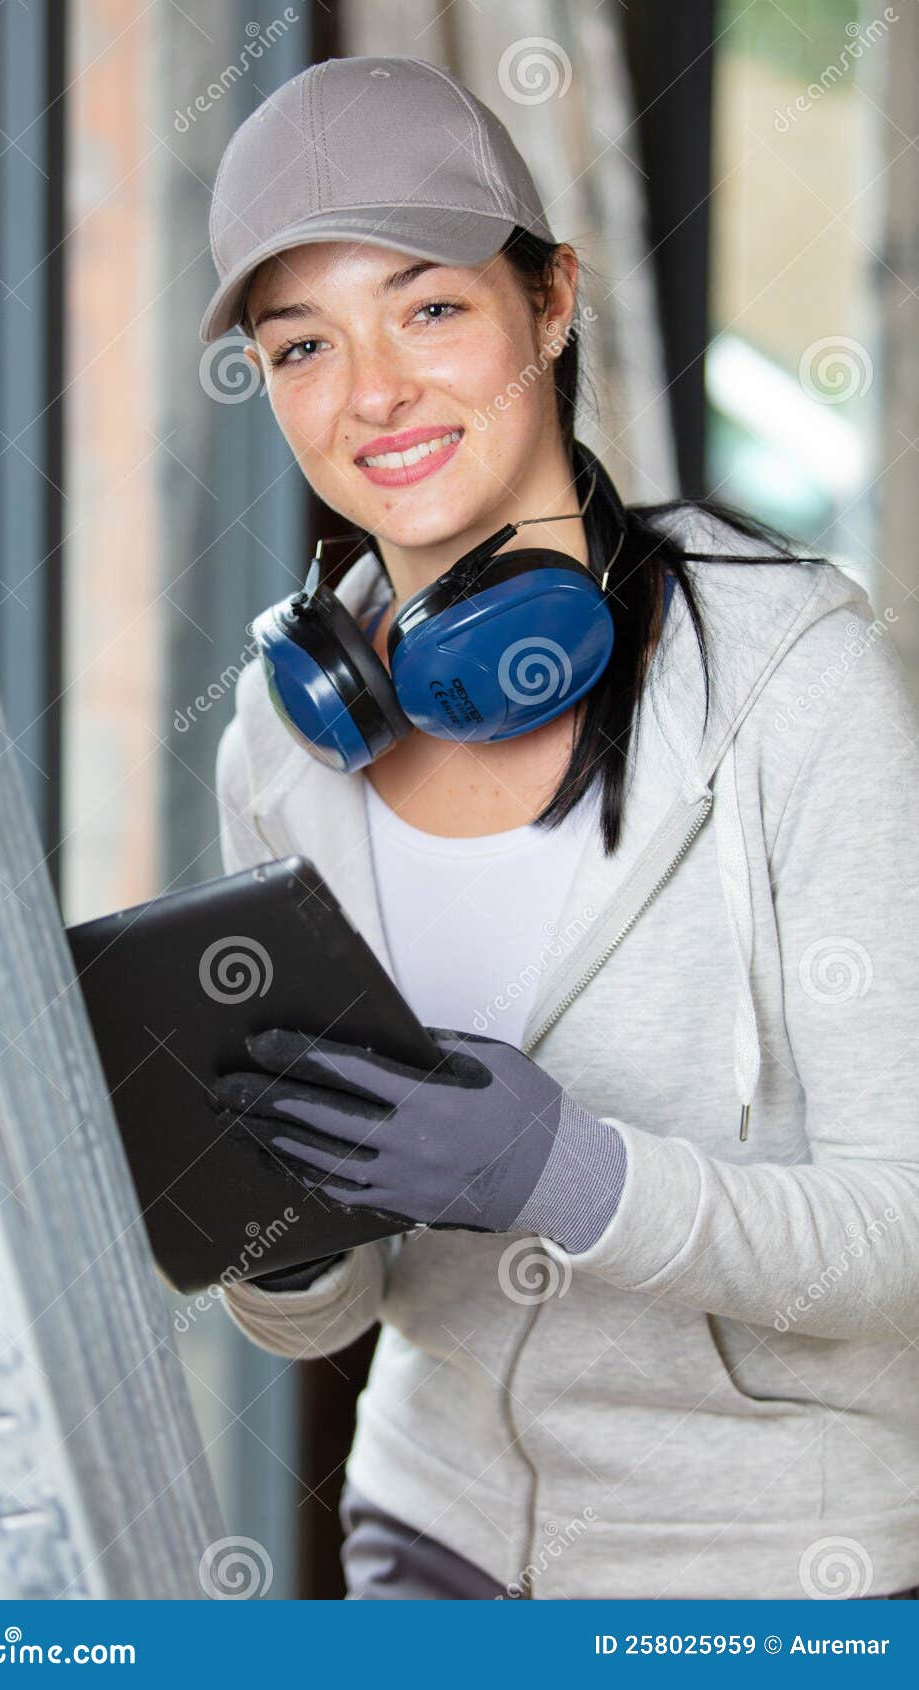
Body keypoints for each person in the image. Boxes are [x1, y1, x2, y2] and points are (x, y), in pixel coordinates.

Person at [199, 55, 919, 1600]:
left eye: (430, 307)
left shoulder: (793, 681)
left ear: (553, 301)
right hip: (429, 1527)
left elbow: (904, 1225)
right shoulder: (286, 736)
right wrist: (280, 1237)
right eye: (302, 344)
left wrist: (573, 1174)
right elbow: (331, 1310)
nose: (371, 390)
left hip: (767, 1565)